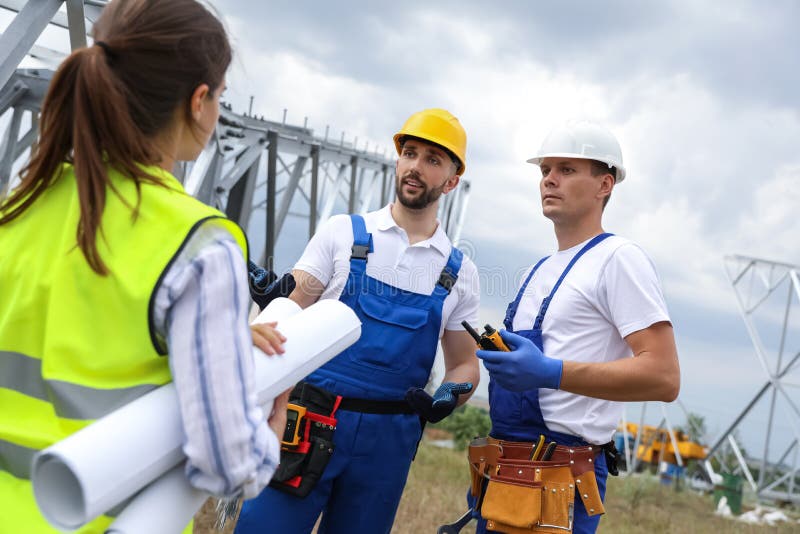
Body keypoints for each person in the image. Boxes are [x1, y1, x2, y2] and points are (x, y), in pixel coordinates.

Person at [0, 1, 288, 532]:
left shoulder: (17, 206)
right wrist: (270, 426)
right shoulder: (199, 243)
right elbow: (229, 465)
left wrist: (208, 337)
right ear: (198, 100)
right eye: (220, 95)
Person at [235, 108, 482, 534]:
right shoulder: (343, 233)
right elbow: (294, 302)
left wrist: (453, 393)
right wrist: (274, 295)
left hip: (387, 445)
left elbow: (464, 364)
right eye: (410, 153)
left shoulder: (459, 272)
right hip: (308, 425)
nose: (415, 167)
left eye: (432, 160)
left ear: (451, 180)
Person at [474, 120, 680, 534]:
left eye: (566, 170)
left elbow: (664, 376)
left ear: (605, 184)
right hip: (504, 472)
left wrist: (551, 372)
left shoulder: (620, 259)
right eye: (545, 170)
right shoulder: (536, 271)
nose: (549, 179)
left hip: (559, 483)